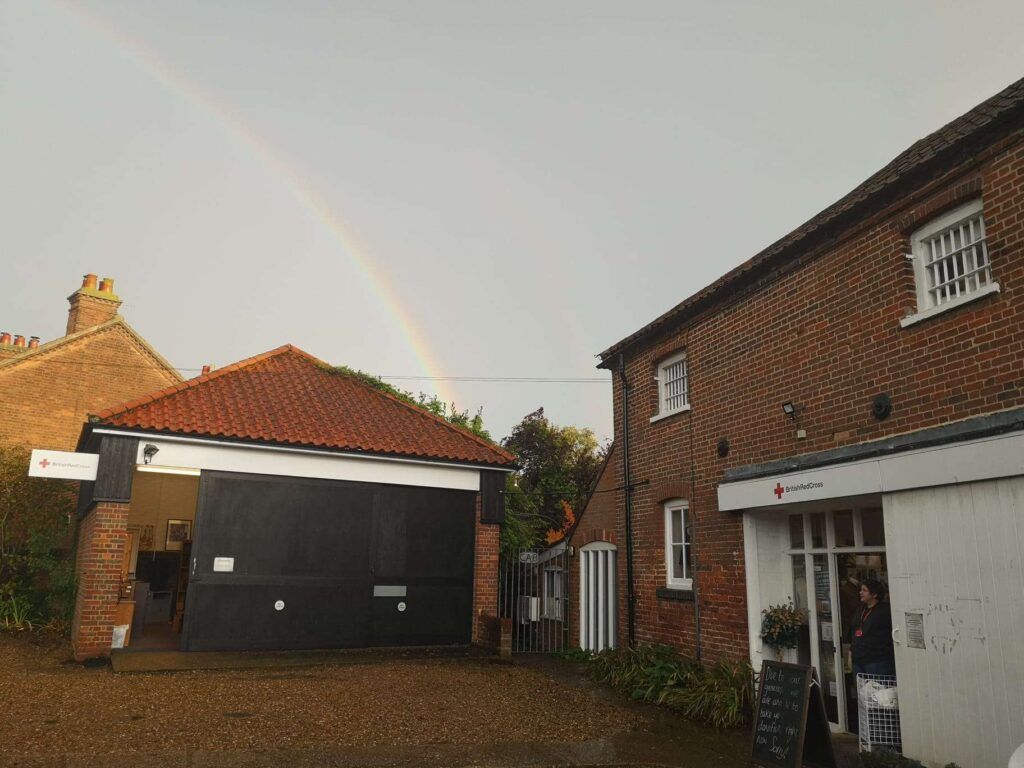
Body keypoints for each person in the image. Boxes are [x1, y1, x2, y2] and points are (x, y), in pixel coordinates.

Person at [849, 578, 895, 677]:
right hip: (858, 658)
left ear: (874, 594)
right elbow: (854, 630)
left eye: (864, 590)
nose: (860, 592)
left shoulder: (885, 610)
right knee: (862, 690)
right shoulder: (860, 609)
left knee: (877, 689)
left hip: (877, 660)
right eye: (861, 590)